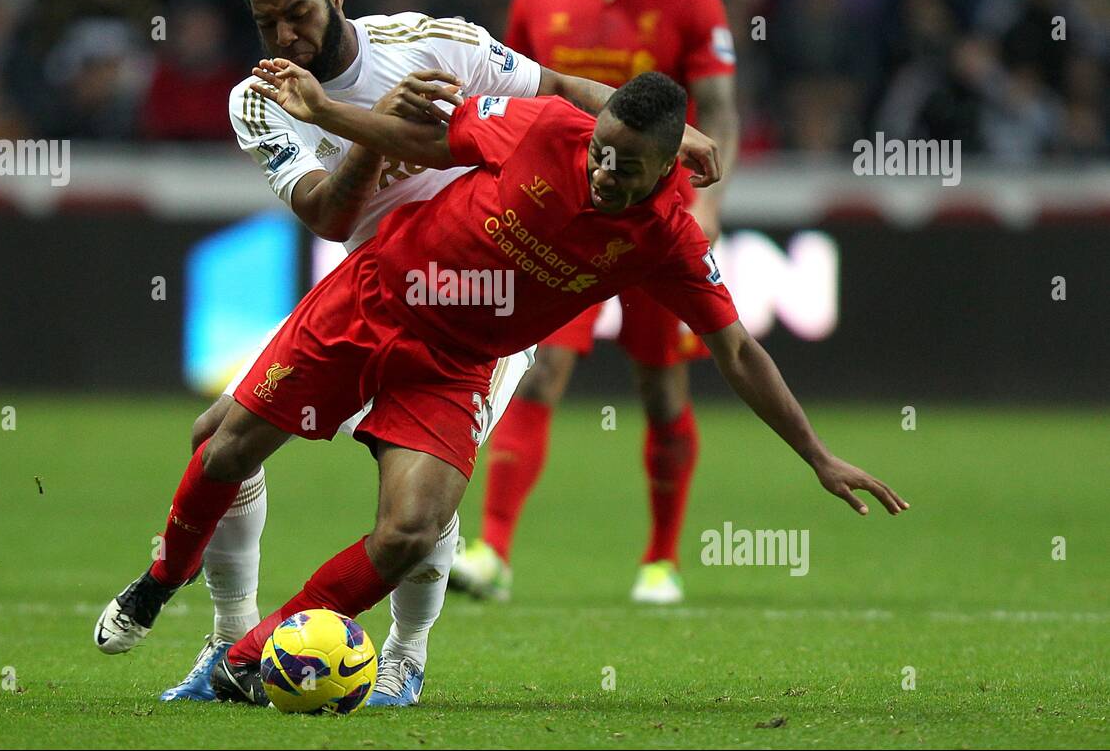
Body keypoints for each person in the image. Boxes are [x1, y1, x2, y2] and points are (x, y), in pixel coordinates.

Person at [97, 55, 908, 707]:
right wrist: (325, 114)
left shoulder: (667, 238)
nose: (603, 172)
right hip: (376, 296)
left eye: (627, 168)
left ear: (669, 170)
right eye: (601, 151)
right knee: (223, 446)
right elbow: (422, 139)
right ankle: (158, 583)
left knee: (411, 530)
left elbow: (738, 352)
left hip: (456, 364)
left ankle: (249, 658)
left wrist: (816, 453)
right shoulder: (548, 126)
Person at [95, 0, 723, 707]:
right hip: (377, 284)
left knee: (418, 511)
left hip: (488, 304)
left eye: (298, 13)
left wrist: (674, 132)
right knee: (218, 439)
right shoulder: (257, 96)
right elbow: (328, 214)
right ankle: (228, 637)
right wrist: (359, 122)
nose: (287, 36)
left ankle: (403, 654)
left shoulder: (436, 42)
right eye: (268, 25)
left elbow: (558, 85)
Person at [452, 0, 742, 605]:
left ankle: (661, 559)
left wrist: (709, 205)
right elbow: (512, 91)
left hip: (655, 221)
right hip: (565, 213)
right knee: (541, 369)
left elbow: (721, 106)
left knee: (660, 385)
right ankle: (492, 551)